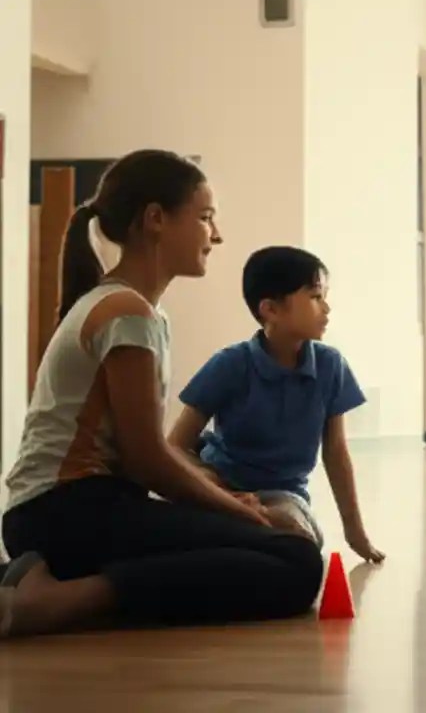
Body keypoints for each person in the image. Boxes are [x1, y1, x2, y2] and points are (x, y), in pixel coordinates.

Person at [0, 150, 323, 638]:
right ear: (155, 219)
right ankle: (59, 601)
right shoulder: (126, 311)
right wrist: (242, 511)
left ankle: (47, 580)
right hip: (65, 512)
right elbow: (146, 458)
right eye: (205, 218)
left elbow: (143, 460)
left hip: (69, 510)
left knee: (268, 543)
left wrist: (232, 502)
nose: (215, 236)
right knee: (295, 560)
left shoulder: (134, 309)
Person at [167, 246, 384, 564]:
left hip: (281, 496)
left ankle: (241, 536)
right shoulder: (230, 363)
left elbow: (336, 453)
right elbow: (175, 445)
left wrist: (356, 534)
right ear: (270, 309)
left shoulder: (330, 366)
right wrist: (211, 484)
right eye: (314, 297)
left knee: (299, 534)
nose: (326, 308)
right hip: (221, 488)